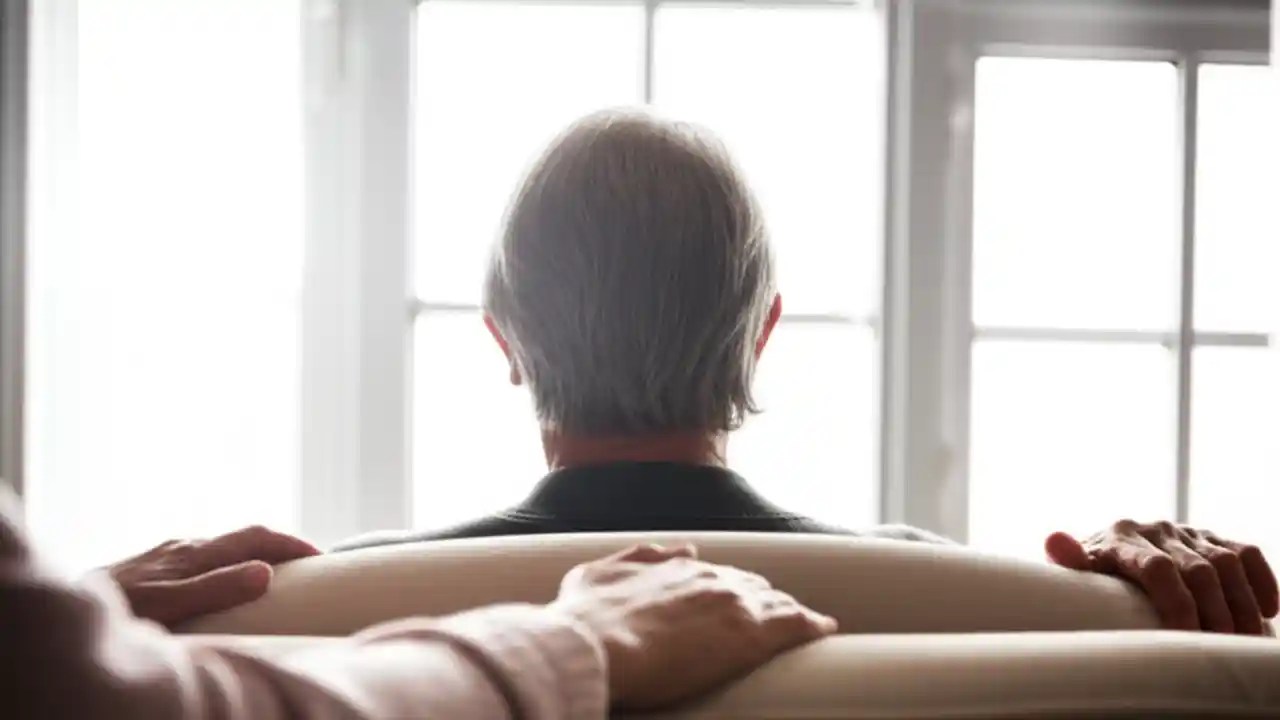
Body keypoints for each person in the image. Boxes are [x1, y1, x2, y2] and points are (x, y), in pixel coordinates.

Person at [336, 109, 1278, 636]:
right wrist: (1120, 588)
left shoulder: (340, 604)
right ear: (761, 335)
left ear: (505, 342)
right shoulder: (953, 600)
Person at [0, 486, 835, 719]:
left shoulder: (312, 592)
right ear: (762, 335)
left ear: (506, 343)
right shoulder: (934, 577)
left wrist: (58, 625)